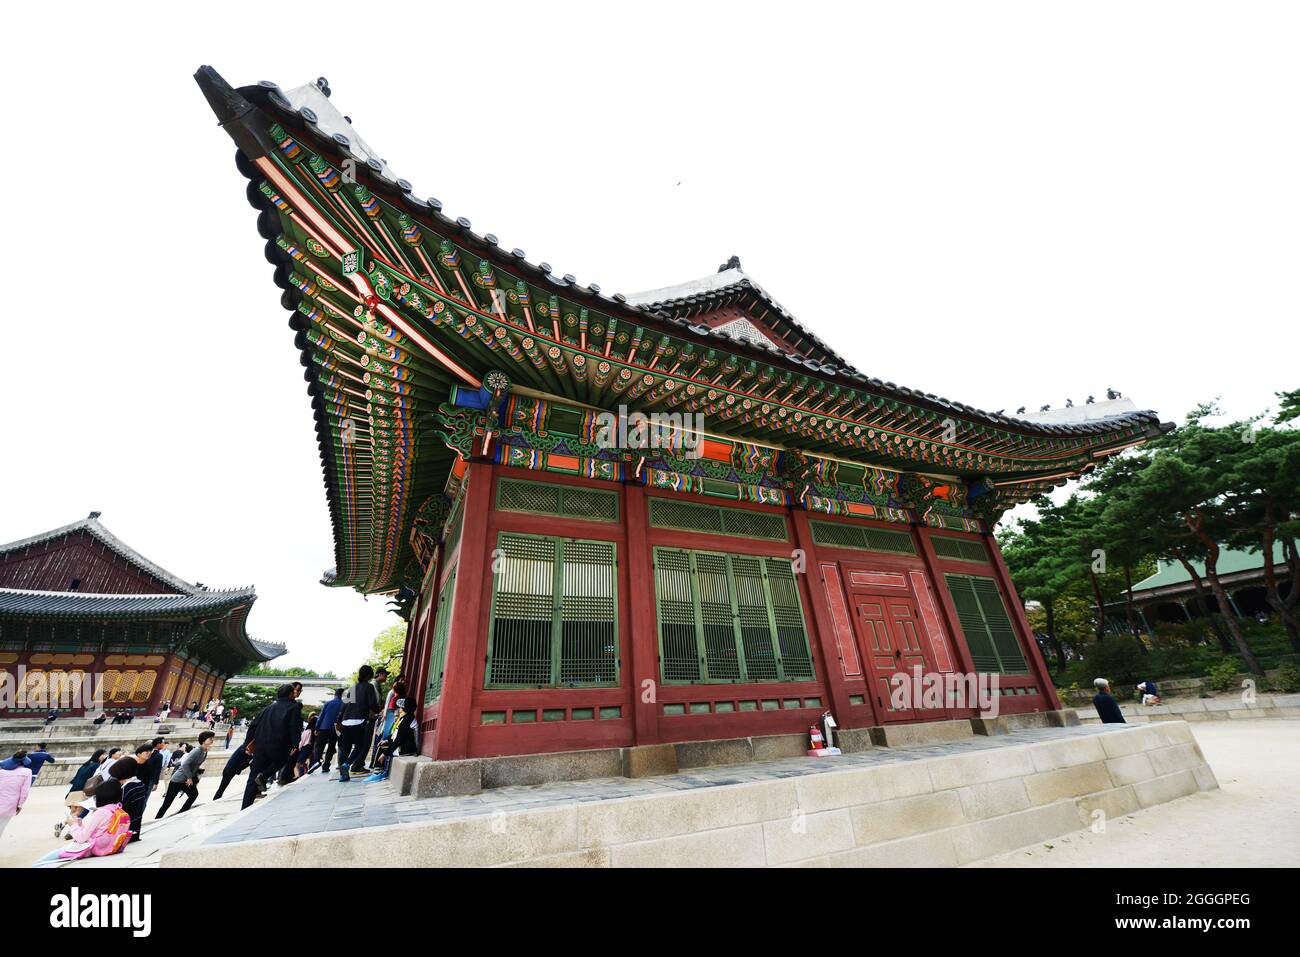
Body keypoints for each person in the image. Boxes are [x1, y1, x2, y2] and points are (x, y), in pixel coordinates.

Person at [34, 779, 132, 866]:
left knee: (39, 863)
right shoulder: (117, 809)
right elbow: (100, 831)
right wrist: (79, 825)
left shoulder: (101, 812)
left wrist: (73, 825)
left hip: (93, 848)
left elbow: (81, 838)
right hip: (108, 847)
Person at [242, 685, 300, 809]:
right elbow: (294, 726)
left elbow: (253, 725)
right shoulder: (293, 707)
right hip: (279, 745)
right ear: (290, 694)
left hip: (260, 745)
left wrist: (247, 743)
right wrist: (296, 743)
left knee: (252, 777)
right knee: (282, 760)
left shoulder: (268, 708)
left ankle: (245, 807)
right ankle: (264, 775)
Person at [156, 731, 213, 818]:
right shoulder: (197, 751)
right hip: (178, 779)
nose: (212, 740)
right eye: (210, 738)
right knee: (167, 803)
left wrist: (190, 777)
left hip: (186, 779)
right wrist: (189, 778)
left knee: (194, 794)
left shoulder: (205, 751)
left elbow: (195, 766)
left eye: (212, 738)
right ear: (203, 740)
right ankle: (157, 819)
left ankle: (182, 813)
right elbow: (185, 764)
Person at [337, 667, 380, 782]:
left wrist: (339, 720)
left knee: (346, 747)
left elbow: (344, 705)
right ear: (368, 675)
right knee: (359, 746)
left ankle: (343, 774)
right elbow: (372, 704)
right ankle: (346, 764)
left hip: (346, 720)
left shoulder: (352, 688)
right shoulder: (369, 686)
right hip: (359, 720)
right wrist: (379, 710)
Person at [0, 751, 34, 840]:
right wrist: (19, 805)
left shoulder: (2, 772)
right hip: (9, 805)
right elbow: (24, 792)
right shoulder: (27, 772)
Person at [310, 688, 344, 774]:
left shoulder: (328, 703)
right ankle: (326, 766)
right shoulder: (343, 704)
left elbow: (321, 716)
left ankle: (317, 760)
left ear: (335, 695)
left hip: (324, 727)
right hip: (335, 728)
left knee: (319, 746)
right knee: (331, 747)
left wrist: (317, 728)